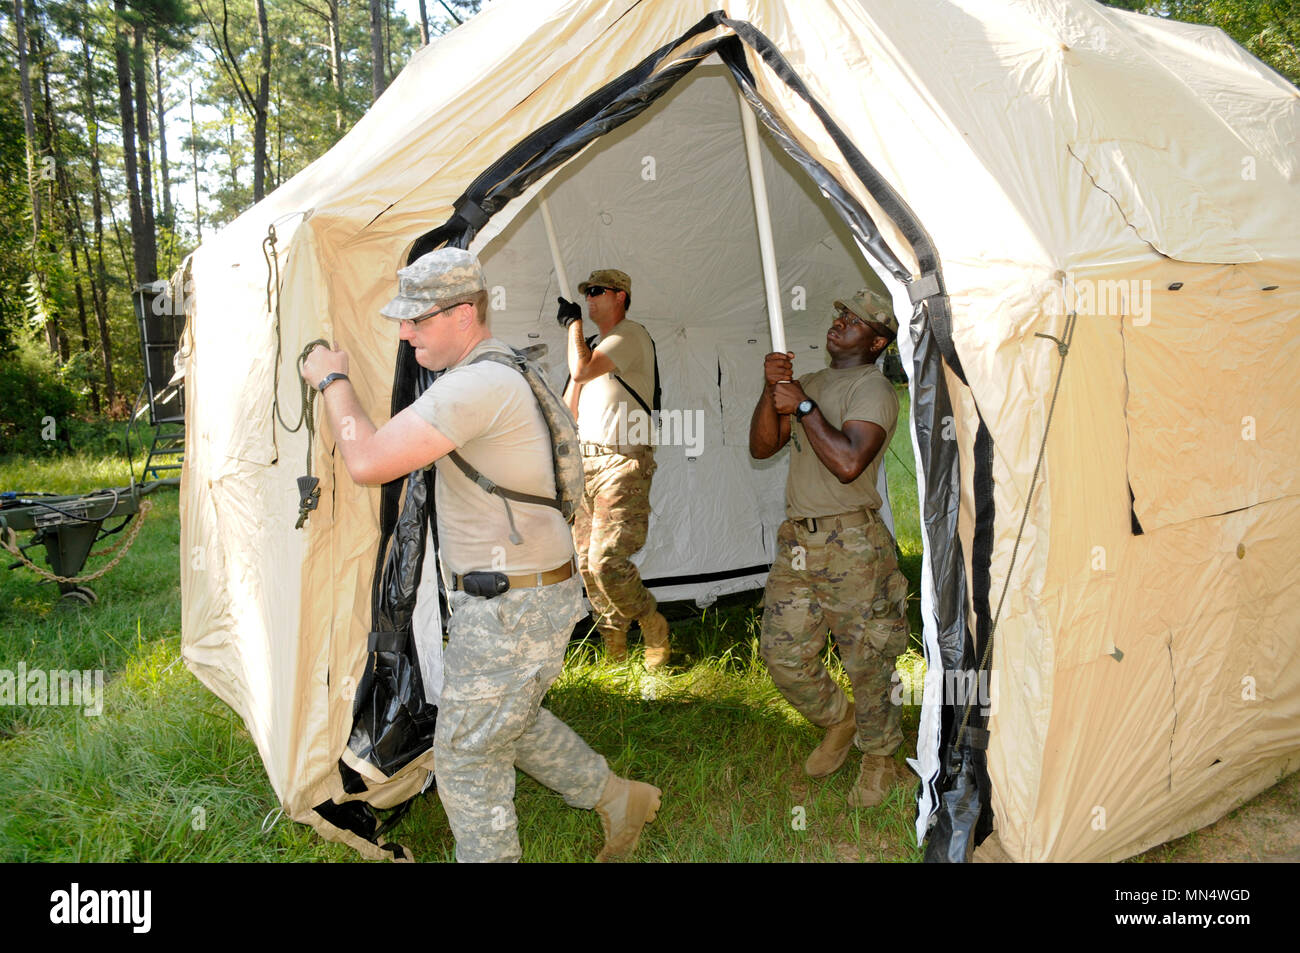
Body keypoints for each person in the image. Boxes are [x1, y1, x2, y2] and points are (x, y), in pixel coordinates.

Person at [299, 248, 661, 862]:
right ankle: (620, 800)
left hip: (512, 605)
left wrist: (332, 380)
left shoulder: (477, 384)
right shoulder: (493, 370)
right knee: (505, 722)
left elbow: (367, 461)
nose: (405, 331)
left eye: (418, 319)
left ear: (464, 314)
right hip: (515, 598)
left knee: (467, 756)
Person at [748, 288, 913, 808]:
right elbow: (762, 447)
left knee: (868, 657)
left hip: (852, 541)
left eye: (855, 320)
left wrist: (802, 405)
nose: (839, 322)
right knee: (781, 653)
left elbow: (848, 463)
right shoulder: (812, 382)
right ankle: (842, 723)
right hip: (798, 538)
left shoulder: (873, 389)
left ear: (879, 341)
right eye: (840, 312)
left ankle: (881, 757)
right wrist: (771, 389)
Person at [557, 269, 670, 668]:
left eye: (597, 291)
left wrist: (571, 327)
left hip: (621, 461)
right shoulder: (592, 347)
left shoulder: (630, 334)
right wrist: (579, 337)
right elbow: (569, 407)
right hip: (587, 463)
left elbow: (581, 371)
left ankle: (652, 622)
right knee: (587, 563)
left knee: (607, 559)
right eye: (586, 293)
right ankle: (615, 649)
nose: (589, 298)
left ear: (621, 296)